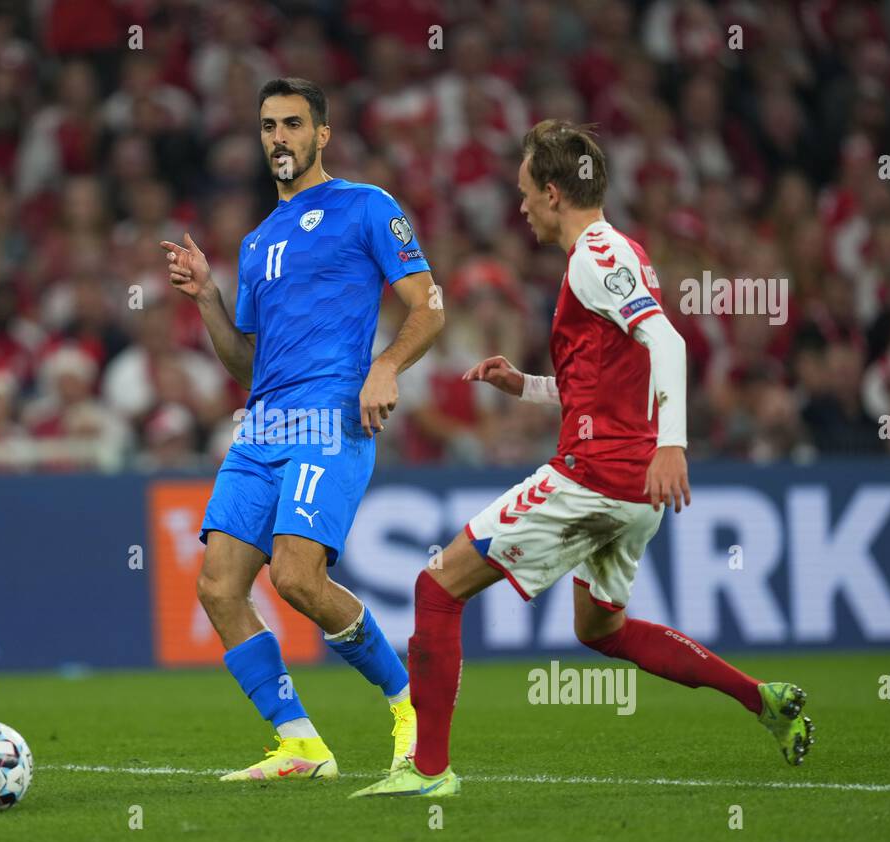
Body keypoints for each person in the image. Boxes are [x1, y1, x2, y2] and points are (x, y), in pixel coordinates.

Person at [354, 120, 814, 798]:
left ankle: (427, 773)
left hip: (597, 477)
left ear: (551, 191)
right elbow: (608, 379)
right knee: (602, 629)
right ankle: (761, 699)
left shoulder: (595, 258)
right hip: (631, 493)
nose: (519, 209)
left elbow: (670, 345)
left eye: (523, 193)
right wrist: (530, 386)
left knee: (436, 587)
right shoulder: (618, 250)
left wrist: (674, 445)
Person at [161, 77, 444, 781]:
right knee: (219, 588)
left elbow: (430, 305)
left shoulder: (365, 207)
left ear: (322, 133)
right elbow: (247, 365)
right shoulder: (256, 244)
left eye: (292, 124)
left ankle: (410, 701)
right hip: (263, 424)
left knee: (296, 576)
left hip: (330, 418)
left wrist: (385, 367)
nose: (278, 137)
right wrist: (209, 300)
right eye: (267, 125)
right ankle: (300, 743)